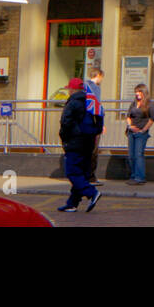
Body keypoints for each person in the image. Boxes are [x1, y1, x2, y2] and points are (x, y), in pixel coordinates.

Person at [58, 78, 101, 212]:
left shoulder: (73, 103)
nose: (68, 91)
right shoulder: (91, 101)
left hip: (75, 142)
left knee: (72, 172)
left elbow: (65, 122)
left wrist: (64, 138)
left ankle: (91, 193)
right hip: (89, 141)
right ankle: (72, 203)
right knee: (81, 172)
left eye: (69, 89)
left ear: (73, 89)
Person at [125, 83, 154, 185]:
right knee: (131, 155)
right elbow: (128, 116)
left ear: (144, 92)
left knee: (138, 154)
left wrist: (143, 130)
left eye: (139, 92)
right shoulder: (134, 103)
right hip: (131, 132)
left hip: (141, 133)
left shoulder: (149, 104)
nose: (137, 94)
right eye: (136, 92)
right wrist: (130, 126)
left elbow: (152, 119)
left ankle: (140, 177)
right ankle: (133, 175)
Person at [83, 67, 106, 184]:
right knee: (93, 150)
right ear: (98, 76)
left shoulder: (84, 86)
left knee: (86, 149)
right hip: (93, 123)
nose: (101, 80)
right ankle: (91, 176)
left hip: (84, 123)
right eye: (101, 77)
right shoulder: (95, 88)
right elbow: (97, 106)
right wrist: (102, 124)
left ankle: (83, 175)